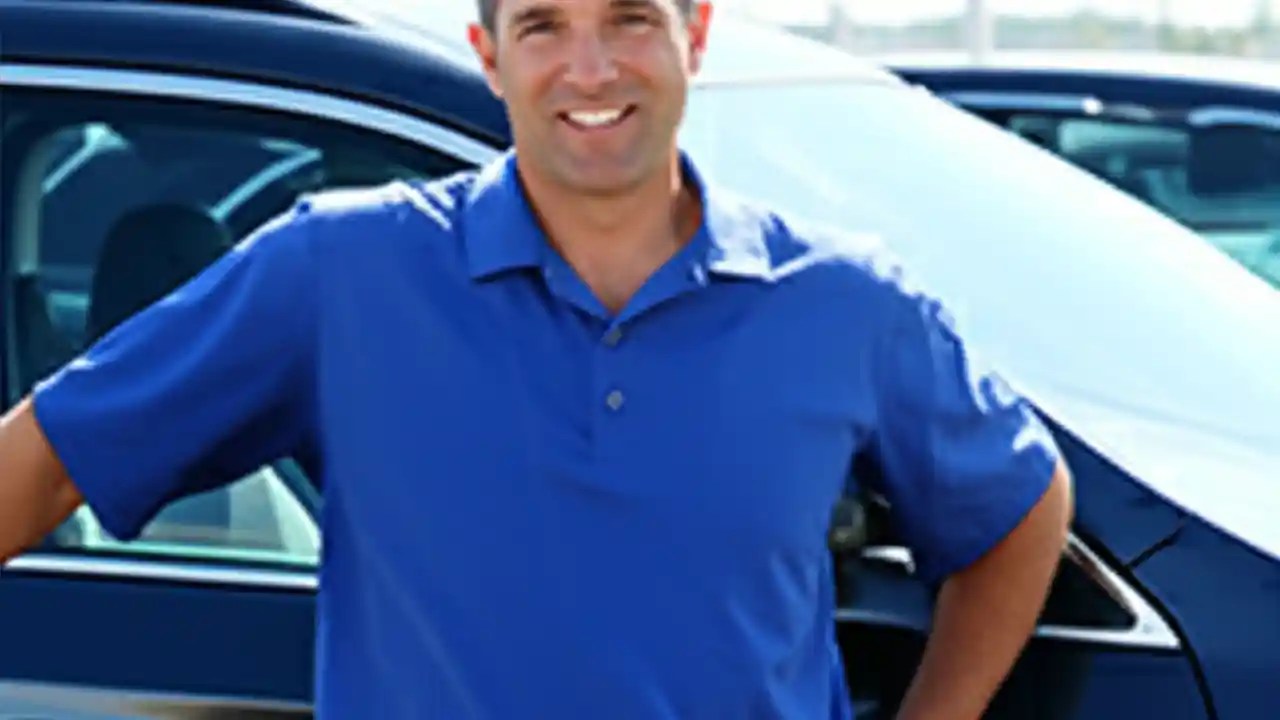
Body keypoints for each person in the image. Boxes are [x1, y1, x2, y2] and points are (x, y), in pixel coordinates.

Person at [0, 0, 1073, 717]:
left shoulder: (844, 304)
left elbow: (1019, 510)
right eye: (545, 24)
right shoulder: (340, 271)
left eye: (629, 20)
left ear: (694, 33)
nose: (590, 67)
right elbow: (44, 462)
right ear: (489, 54)